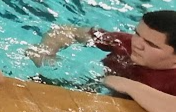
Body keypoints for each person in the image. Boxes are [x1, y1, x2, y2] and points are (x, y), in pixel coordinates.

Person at [28, 10, 176, 103]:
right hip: (96, 92)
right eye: (137, 33)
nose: (137, 44)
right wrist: (45, 51)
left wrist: (130, 87)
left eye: (151, 44)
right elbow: (66, 31)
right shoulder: (124, 42)